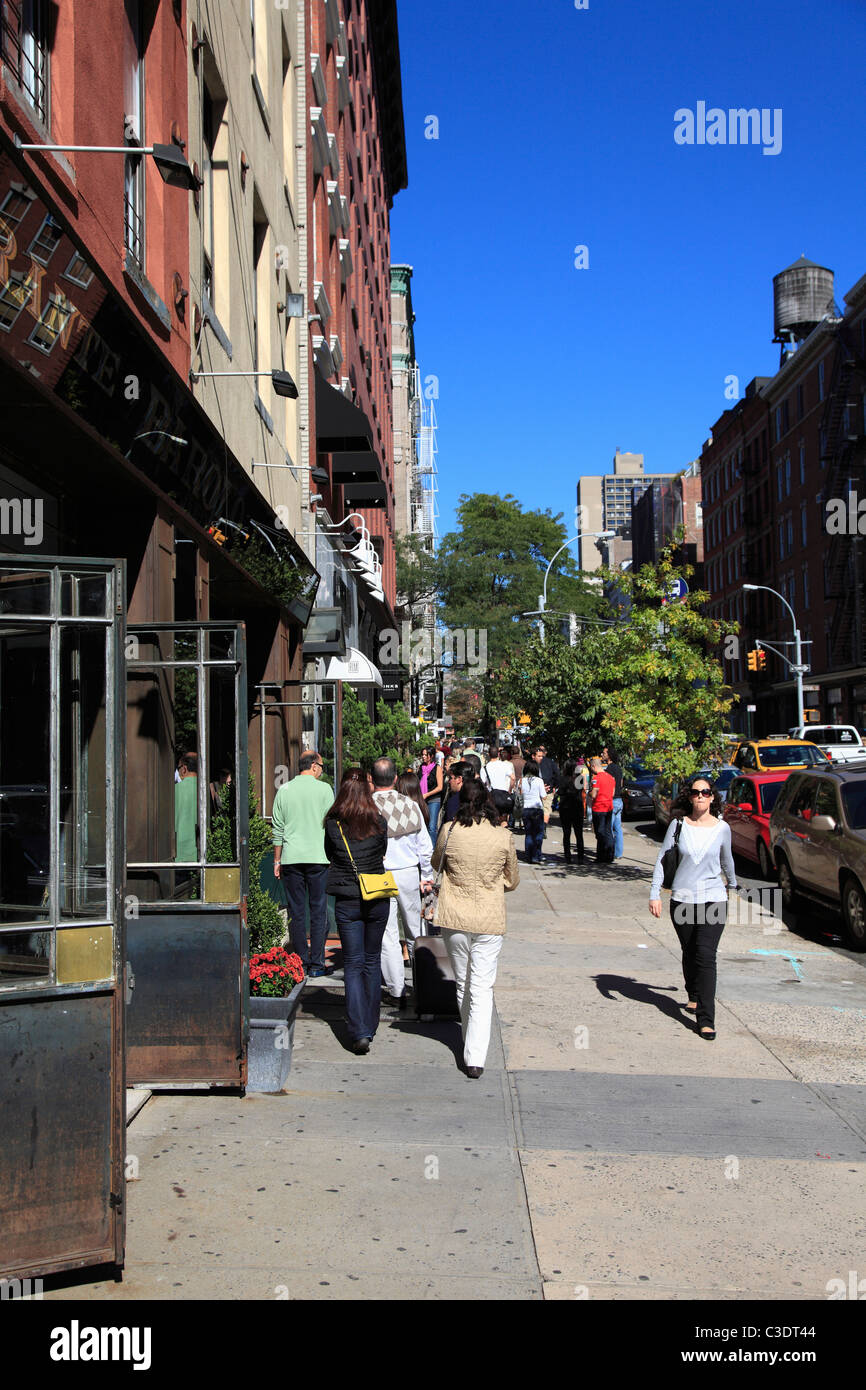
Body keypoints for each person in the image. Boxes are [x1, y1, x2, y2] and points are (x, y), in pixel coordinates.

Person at [431, 779, 519, 1077]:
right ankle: (475, 1056)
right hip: (489, 916)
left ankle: (470, 1044)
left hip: (454, 914)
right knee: (481, 985)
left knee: (463, 981)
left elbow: (436, 862)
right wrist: (493, 885)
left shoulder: (449, 830)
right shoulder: (503, 835)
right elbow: (512, 879)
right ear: (488, 802)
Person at [649, 775, 737, 1041]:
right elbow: (662, 861)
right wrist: (655, 894)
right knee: (689, 951)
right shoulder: (677, 826)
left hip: (713, 899)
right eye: (696, 792)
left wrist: (732, 886)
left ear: (713, 797)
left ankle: (706, 1020)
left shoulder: (722, 829)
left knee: (705, 955)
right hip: (683, 900)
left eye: (706, 792)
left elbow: (727, 861)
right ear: (689, 796)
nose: (701, 796)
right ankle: (694, 994)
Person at [324, 768, 390, 1054]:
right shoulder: (378, 820)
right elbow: (382, 851)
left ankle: (359, 1030)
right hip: (376, 895)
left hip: (347, 896)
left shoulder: (333, 823)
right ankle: (371, 1023)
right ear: (367, 789)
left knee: (353, 963)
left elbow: (330, 854)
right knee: (372, 960)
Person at [371, 758, 433, 1010]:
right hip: (408, 873)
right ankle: (424, 984)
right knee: (415, 929)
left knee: (387, 934)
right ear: (395, 779)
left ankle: (396, 990)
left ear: (371, 778)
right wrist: (426, 875)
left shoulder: (366, 806)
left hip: (379, 874)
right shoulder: (410, 804)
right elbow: (425, 847)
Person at [272, 750, 335, 977]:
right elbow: (332, 824)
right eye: (321, 766)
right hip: (319, 858)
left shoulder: (284, 790)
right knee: (319, 911)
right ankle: (317, 964)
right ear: (315, 766)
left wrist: (277, 860)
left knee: (296, 912)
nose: (321, 770)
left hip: (291, 858)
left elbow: (277, 829)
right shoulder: (325, 789)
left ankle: (300, 961)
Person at [558, 761, 585, 864]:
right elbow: (581, 791)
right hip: (577, 807)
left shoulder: (563, 779)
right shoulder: (579, 779)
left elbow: (560, 792)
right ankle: (581, 857)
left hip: (565, 807)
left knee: (566, 833)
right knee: (579, 834)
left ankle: (567, 856)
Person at [588, 756, 615, 862]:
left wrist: (589, 793)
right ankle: (610, 855)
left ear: (594, 766)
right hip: (609, 807)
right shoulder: (610, 777)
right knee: (608, 831)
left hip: (598, 808)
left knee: (600, 832)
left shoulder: (596, 778)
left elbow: (594, 794)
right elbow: (612, 793)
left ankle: (601, 856)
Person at [520, 758, 546, 864]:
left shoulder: (521, 781)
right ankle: (536, 855)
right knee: (538, 833)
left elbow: (520, 794)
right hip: (537, 809)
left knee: (529, 833)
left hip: (525, 809)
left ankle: (528, 855)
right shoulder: (539, 781)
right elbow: (543, 796)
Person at [174, 752, 198, 862]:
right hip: (200, 855)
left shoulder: (174, 790)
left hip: (179, 853)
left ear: (184, 769)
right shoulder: (206, 790)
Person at [602, 744, 625, 861]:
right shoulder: (618, 768)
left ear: (609, 756)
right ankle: (619, 852)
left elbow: (609, 784)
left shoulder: (609, 769)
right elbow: (620, 784)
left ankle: (609, 852)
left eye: (605, 753)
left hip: (612, 800)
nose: (603, 754)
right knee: (618, 828)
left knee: (608, 828)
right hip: (619, 799)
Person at [533, 744, 560, 833]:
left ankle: (540, 826)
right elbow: (557, 774)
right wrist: (554, 786)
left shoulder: (533, 762)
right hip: (548, 788)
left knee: (539, 807)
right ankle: (543, 826)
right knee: (546, 808)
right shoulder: (551, 762)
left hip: (540, 789)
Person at [418, 746, 444, 839]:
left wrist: (427, 794)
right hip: (422, 800)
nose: (423, 757)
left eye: (426, 755)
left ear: (431, 756)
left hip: (434, 799)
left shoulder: (437, 768)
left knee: (432, 827)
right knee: (423, 825)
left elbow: (440, 787)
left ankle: (433, 849)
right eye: (423, 754)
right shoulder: (421, 767)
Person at [441, 761, 471, 825]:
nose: (449, 781)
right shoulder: (480, 796)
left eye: (451, 778)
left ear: (459, 779)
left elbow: (448, 828)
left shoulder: (454, 801)